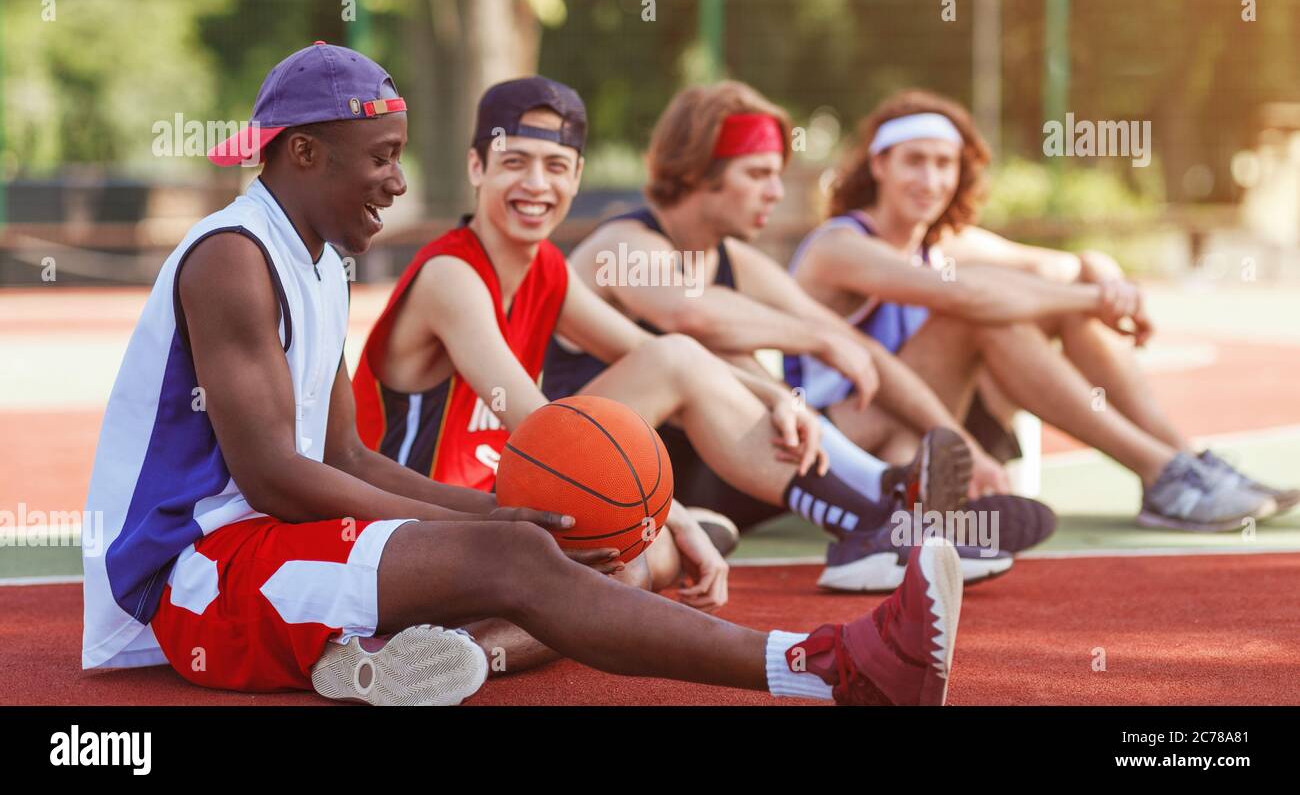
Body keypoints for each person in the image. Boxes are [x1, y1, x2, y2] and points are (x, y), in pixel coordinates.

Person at [80, 43, 969, 707]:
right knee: (540, 553)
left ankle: (439, 659)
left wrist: (522, 517)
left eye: (399, 154)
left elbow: (346, 455)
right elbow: (276, 474)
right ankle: (835, 665)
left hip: (281, 546)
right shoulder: (235, 258)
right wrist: (507, 525)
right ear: (302, 153)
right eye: (380, 156)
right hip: (192, 581)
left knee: (594, 552)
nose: (396, 181)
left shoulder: (317, 260)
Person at [546, 81, 1057, 591]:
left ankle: (892, 502)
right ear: (702, 170)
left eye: (777, 175)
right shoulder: (622, 244)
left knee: (763, 371)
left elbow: (864, 352)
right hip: (590, 472)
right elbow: (689, 313)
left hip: (702, 480)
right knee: (697, 350)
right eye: (759, 174)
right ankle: (881, 510)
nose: (776, 191)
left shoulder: (736, 261)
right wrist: (819, 340)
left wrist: (961, 441)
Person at [789, 88, 1297, 533]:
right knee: (979, 315)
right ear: (879, 165)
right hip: (846, 437)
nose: (931, 178)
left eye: (944, 164)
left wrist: (1101, 274)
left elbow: (1065, 269)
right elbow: (972, 298)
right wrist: (1096, 298)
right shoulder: (840, 246)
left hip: (921, 416)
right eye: (914, 161)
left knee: (1061, 311)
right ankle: (1161, 472)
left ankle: (1184, 465)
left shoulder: (943, 245)